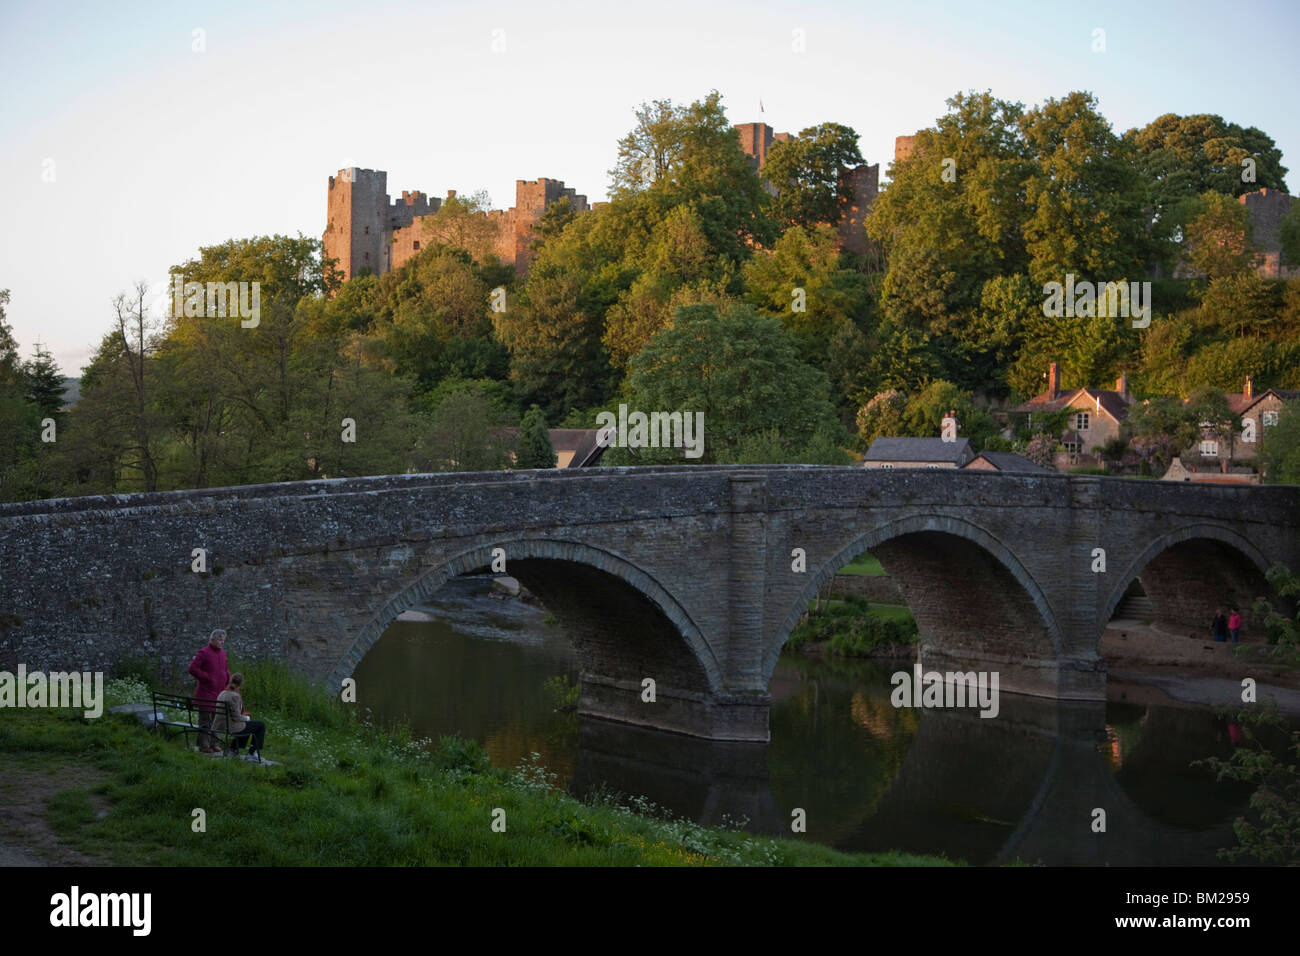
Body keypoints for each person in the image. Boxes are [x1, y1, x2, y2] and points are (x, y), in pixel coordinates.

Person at [188, 629, 230, 753]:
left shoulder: (222, 653)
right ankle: (204, 745)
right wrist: (206, 677)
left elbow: (225, 668)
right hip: (205, 692)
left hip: (219, 693)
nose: (222, 642)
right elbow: (192, 668)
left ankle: (215, 743)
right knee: (205, 721)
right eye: (220, 640)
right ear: (212, 639)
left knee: (217, 720)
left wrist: (227, 677)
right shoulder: (204, 652)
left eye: (223, 640)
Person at [213, 673, 266, 762]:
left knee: (247, 726)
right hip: (229, 726)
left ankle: (233, 749)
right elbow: (236, 717)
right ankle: (252, 753)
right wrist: (246, 718)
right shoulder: (235, 696)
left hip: (219, 725)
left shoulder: (222, 693)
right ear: (241, 684)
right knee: (260, 725)